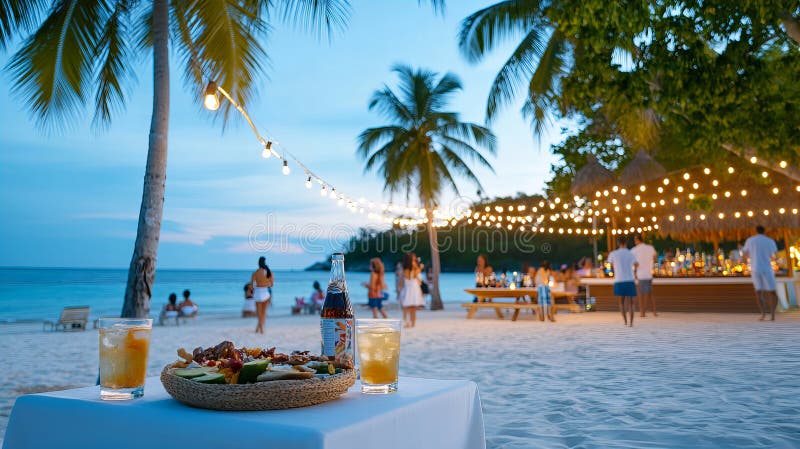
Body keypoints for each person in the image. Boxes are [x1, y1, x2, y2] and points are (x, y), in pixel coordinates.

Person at [743, 225, 779, 321]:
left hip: (755, 268)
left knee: (759, 292)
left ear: (755, 231)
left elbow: (744, 254)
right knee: (772, 292)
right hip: (767, 268)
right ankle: (772, 315)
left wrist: (749, 258)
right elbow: (774, 256)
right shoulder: (770, 241)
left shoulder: (750, 240)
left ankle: (763, 314)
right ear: (764, 231)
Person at [608, 236, 638, 327]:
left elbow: (609, 265)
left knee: (621, 302)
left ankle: (625, 321)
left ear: (618, 243)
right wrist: (634, 273)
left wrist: (614, 271)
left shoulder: (613, 253)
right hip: (630, 279)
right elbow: (637, 264)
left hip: (619, 280)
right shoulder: (631, 253)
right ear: (626, 243)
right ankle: (631, 323)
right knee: (631, 303)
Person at [631, 234, 658, 317]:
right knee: (650, 293)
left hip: (641, 274)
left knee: (641, 294)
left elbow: (634, 263)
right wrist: (650, 263)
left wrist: (635, 271)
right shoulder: (650, 247)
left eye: (635, 240)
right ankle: (654, 312)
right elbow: (655, 257)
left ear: (637, 240)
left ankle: (642, 312)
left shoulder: (634, 250)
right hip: (649, 273)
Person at [400, 252, 425, 327]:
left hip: (414, 288)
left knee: (413, 307)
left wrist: (417, 268)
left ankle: (412, 322)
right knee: (407, 306)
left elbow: (418, 280)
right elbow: (411, 277)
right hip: (409, 289)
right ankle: (406, 322)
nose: (415, 261)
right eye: (413, 260)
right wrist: (420, 268)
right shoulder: (406, 269)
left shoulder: (413, 268)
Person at [250, 256, 274, 334]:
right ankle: (261, 328)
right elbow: (272, 284)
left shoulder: (255, 273)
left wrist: (253, 291)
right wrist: (266, 283)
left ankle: (259, 328)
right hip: (265, 292)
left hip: (258, 292)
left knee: (259, 313)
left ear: (258, 263)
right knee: (264, 312)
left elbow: (251, 286)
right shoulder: (269, 272)